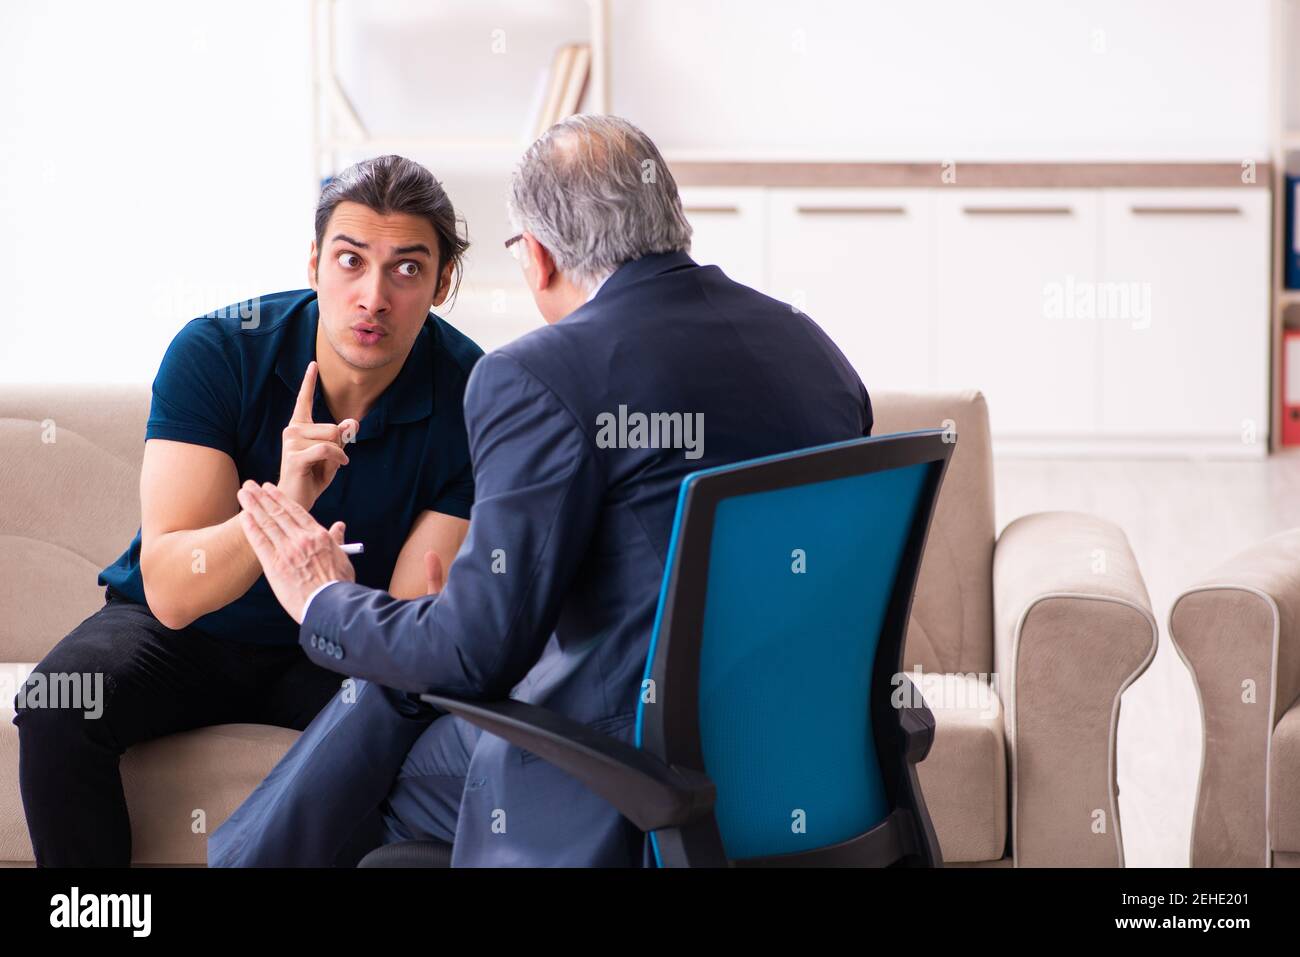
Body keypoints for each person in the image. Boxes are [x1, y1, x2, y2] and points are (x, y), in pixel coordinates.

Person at [211, 114, 873, 867]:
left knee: (383, 724)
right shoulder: (811, 347)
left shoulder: (540, 373)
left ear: (540, 255)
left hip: (636, 769)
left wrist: (323, 599)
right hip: (805, 749)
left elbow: (472, 654)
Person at [13, 154, 482, 866]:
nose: (373, 296)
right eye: (350, 261)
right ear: (315, 263)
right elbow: (172, 590)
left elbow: (414, 625)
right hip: (189, 631)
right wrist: (286, 502)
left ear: (443, 283)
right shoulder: (219, 349)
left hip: (337, 640)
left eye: (407, 269)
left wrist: (330, 600)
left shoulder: (477, 393)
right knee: (56, 704)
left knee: (413, 723)